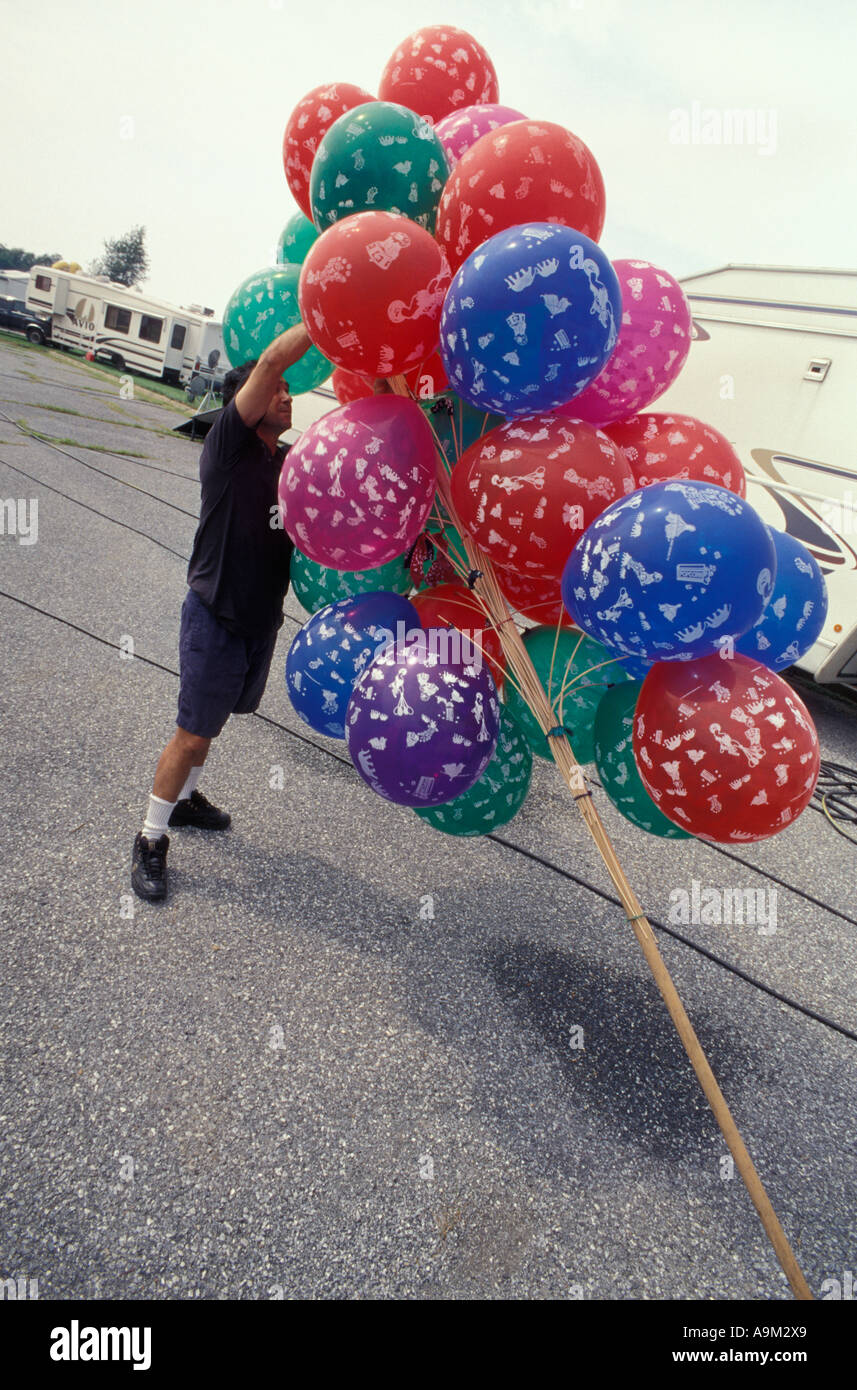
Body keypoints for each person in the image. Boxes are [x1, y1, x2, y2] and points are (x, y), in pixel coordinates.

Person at [131, 323, 312, 902]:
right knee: (190, 735)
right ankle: (151, 838)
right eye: (278, 389)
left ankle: (184, 804)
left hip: (262, 620)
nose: (288, 395)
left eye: (290, 389)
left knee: (214, 725)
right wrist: (335, 315)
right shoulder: (228, 447)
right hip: (215, 616)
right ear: (250, 402)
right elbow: (271, 362)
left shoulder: (289, 462)